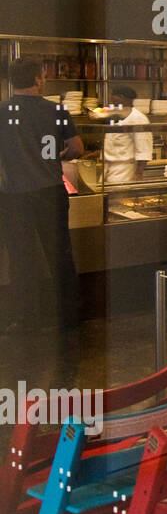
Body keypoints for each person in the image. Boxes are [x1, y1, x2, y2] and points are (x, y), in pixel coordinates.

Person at [0, 60, 83, 332]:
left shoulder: (3, 111)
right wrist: (59, 156)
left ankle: (25, 319)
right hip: (49, 192)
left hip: (14, 195)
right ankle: (69, 319)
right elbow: (77, 149)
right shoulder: (56, 110)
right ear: (38, 79)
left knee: (21, 257)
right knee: (59, 255)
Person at [102, 85, 152, 184]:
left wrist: (138, 174)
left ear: (122, 97)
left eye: (113, 98)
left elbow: (144, 150)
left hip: (125, 170)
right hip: (109, 167)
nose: (112, 101)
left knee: (120, 199)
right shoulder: (116, 116)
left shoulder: (138, 118)